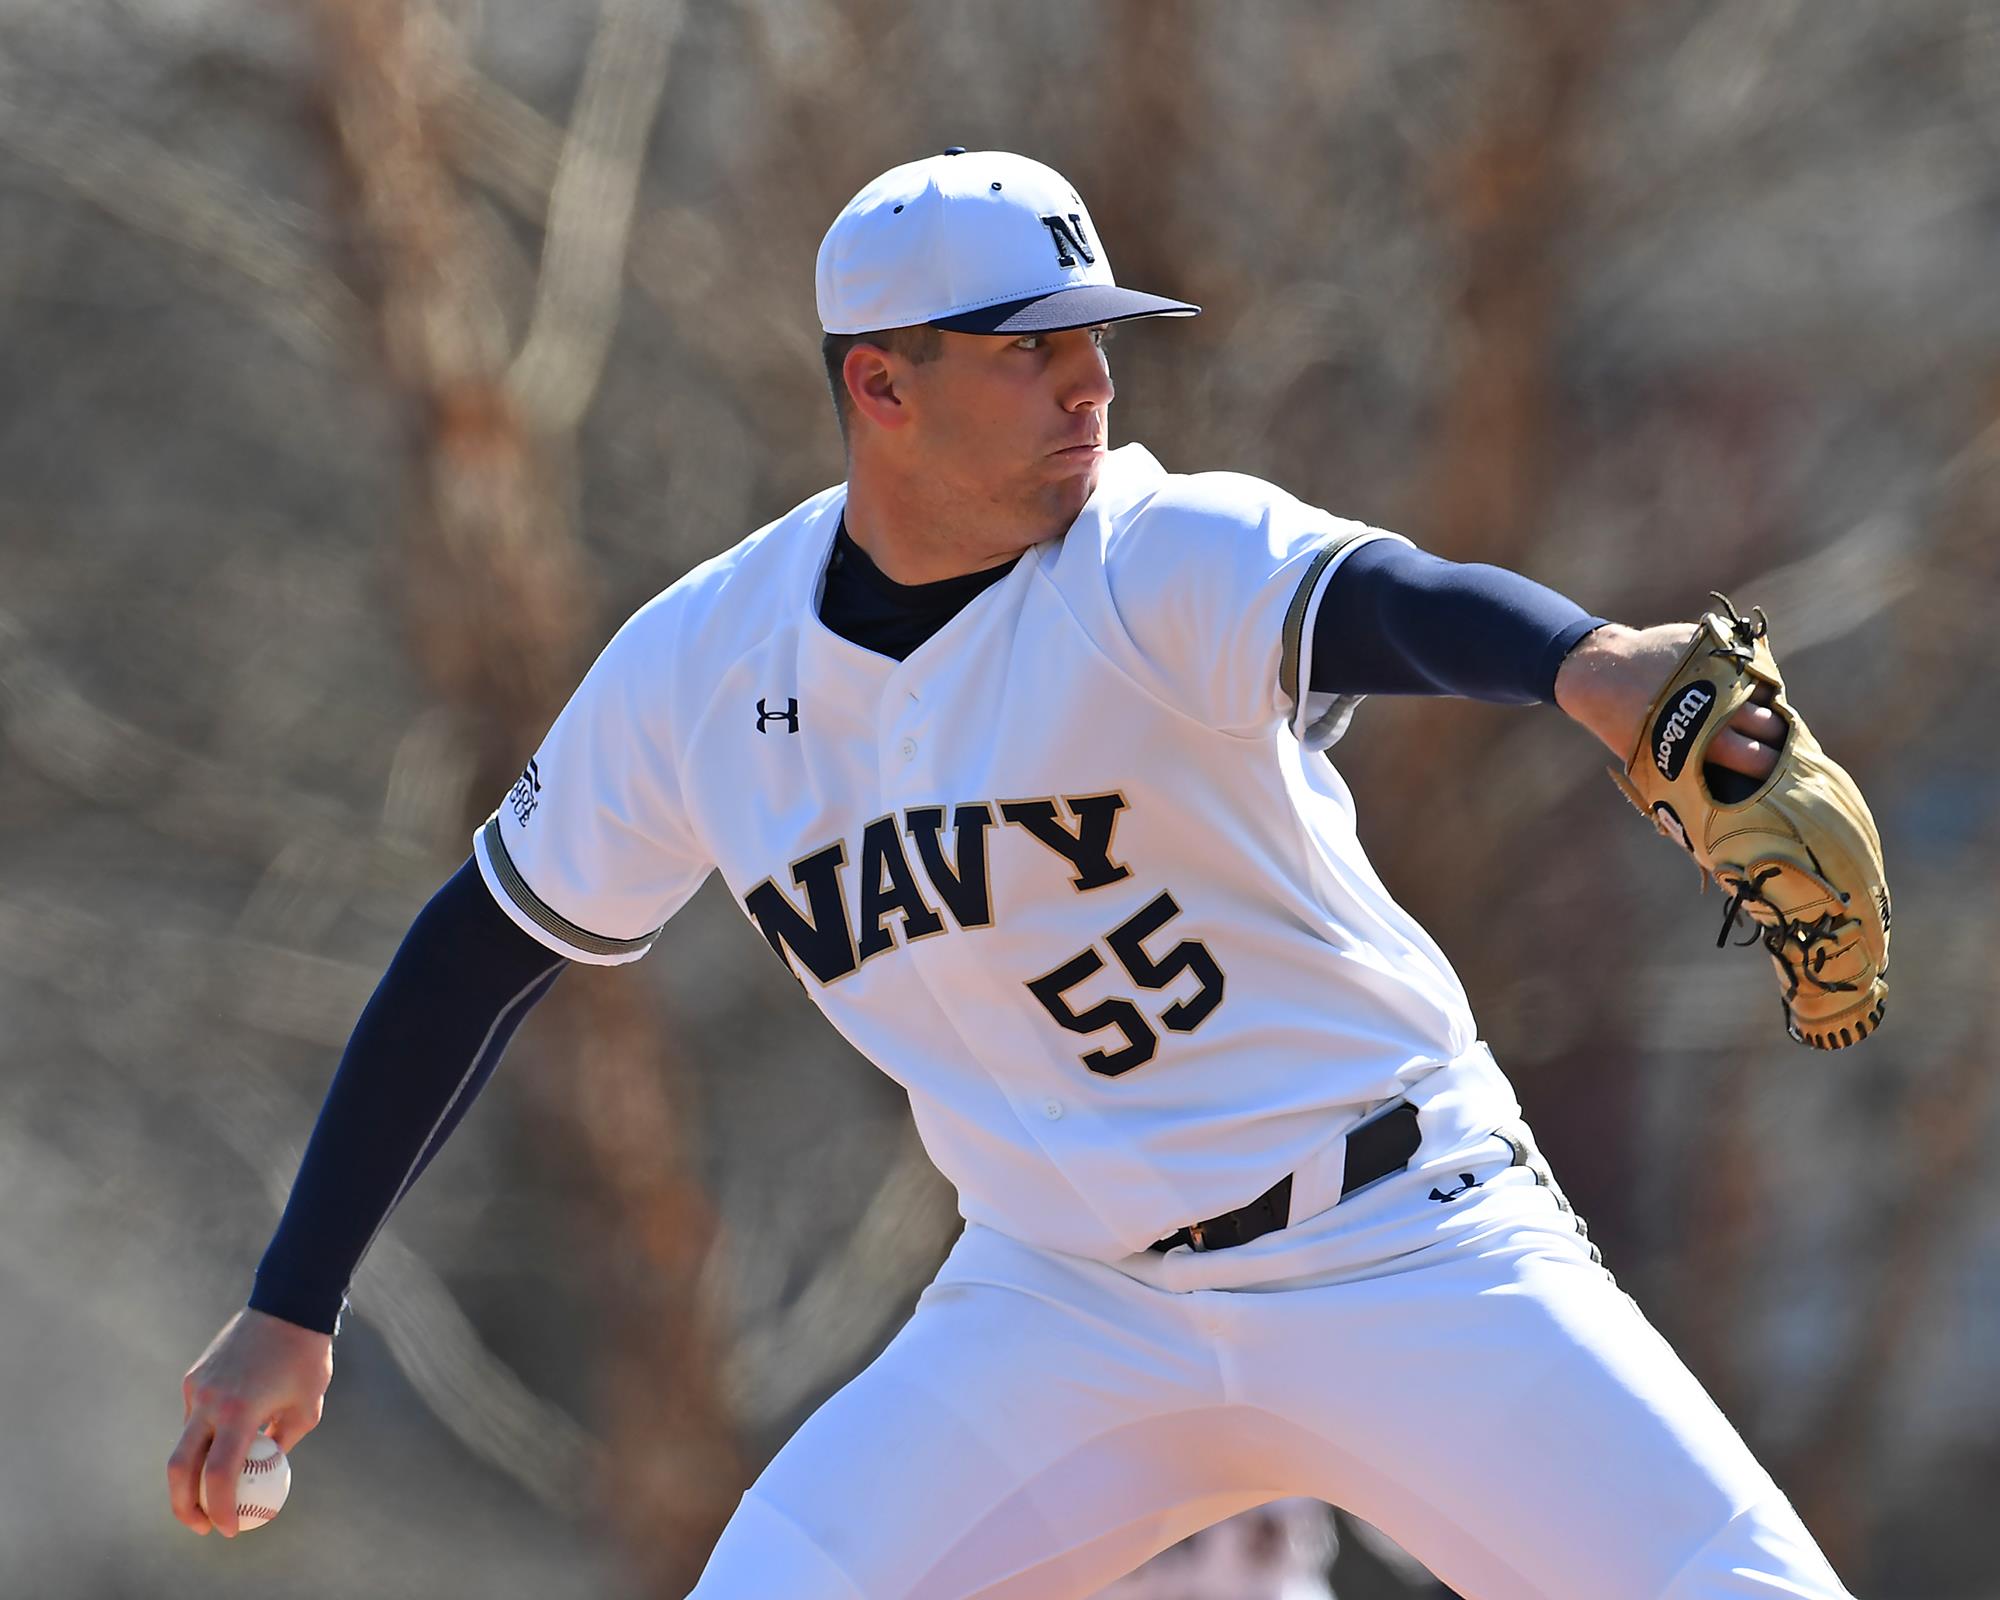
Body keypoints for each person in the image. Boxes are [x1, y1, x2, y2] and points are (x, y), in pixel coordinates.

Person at [171, 149, 1853, 1599]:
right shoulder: (702, 668)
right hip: (1062, 1310)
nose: (1089, 385)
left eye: (1096, 339)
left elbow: (1386, 602)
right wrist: (293, 1301)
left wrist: (1591, 665)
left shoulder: (1150, 552)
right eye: (1028, 347)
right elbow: (477, 952)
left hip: (1404, 1248)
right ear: (880, 387)